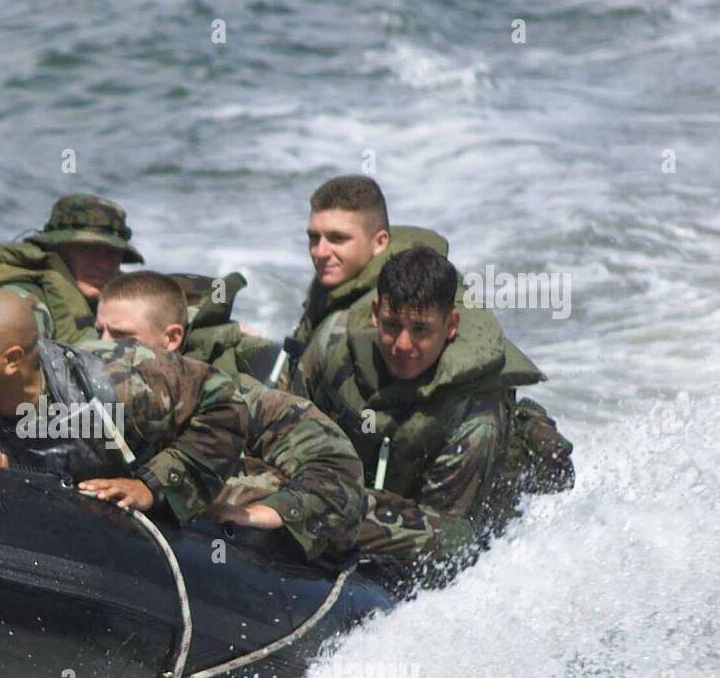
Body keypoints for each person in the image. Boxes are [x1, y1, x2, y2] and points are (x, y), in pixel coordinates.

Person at [290, 244, 573, 585]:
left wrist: (329, 513)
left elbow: (446, 542)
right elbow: (284, 429)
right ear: (376, 312)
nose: (403, 345)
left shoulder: (475, 418)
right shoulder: (333, 343)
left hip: (459, 523)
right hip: (355, 502)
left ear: (450, 324)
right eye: (391, 325)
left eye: (421, 330)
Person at [0, 288, 248, 524]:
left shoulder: (119, 379)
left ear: (12, 360)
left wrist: (152, 485)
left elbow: (226, 402)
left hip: (179, 493)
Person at [95, 271, 362, 564]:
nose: (103, 347)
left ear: (171, 338)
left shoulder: (236, 396)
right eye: (100, 333)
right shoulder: (92, 386)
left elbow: (335, 462)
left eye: (120, 337)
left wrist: (275, 512)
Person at [273, 174, 449, 386]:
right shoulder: (337, 285)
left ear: (380, 242)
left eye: (338, 238)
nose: (320, 252)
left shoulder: (390, 312)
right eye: (314, 237)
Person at [0, 193, 143, 343]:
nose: (102, 264)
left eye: (112, 254)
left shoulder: (123, 299)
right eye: (88, 250)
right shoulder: (22, 300)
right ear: (55, 248)